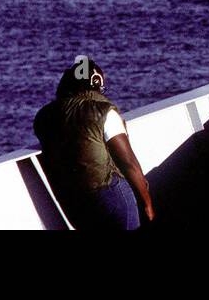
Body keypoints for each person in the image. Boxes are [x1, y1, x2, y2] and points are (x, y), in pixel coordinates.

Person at [33, 57, 155, 230]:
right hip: (109, 195)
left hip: (72, 201)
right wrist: (146, 203)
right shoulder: (103, 112)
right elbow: (129, 164)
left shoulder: (44, 117)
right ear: (96, 83)